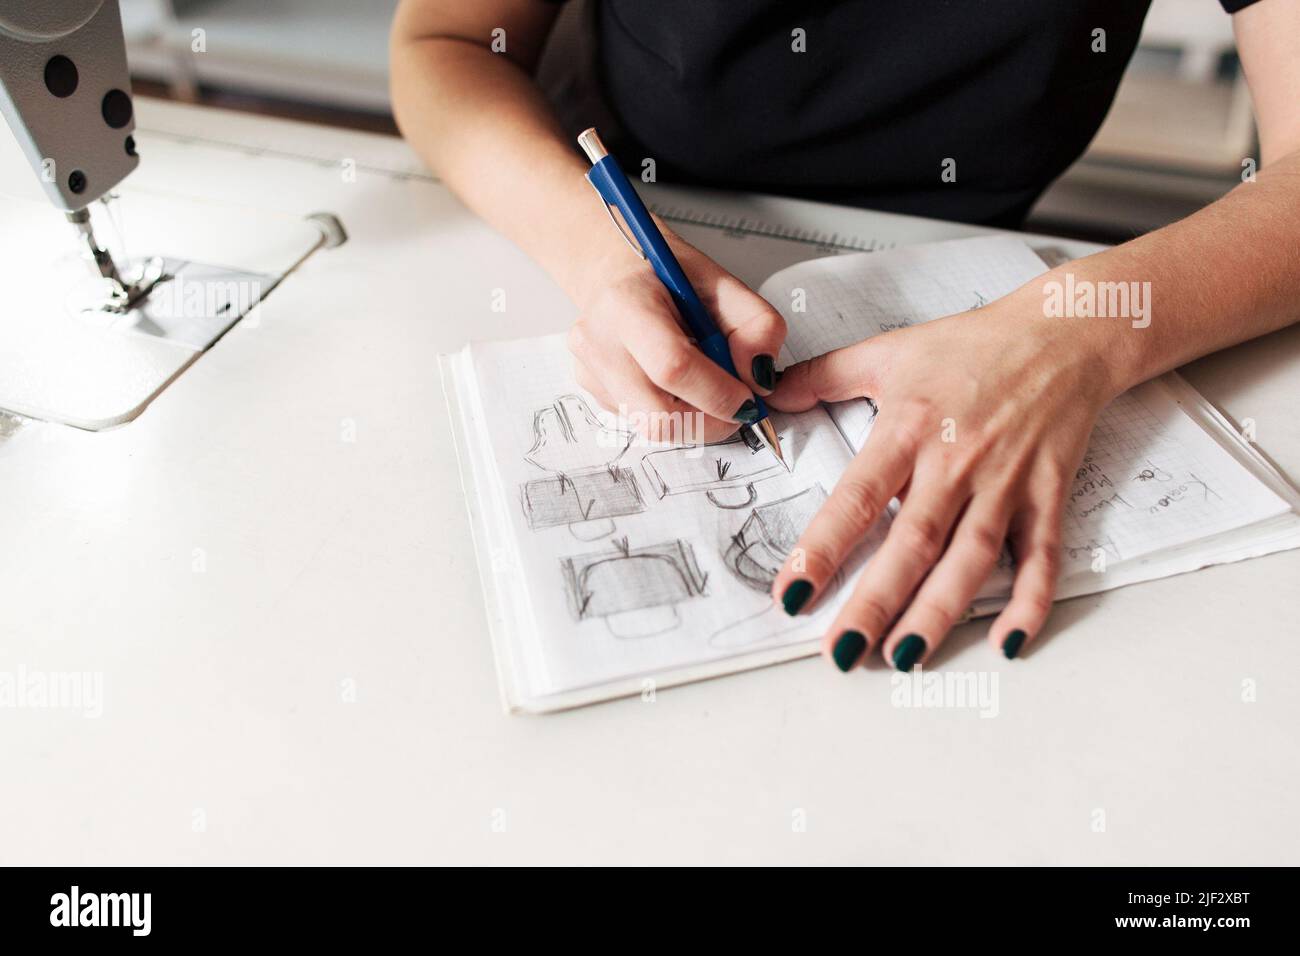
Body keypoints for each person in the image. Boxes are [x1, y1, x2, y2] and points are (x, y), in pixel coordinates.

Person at [390, 0, 1300, 672]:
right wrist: (602, 255)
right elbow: (444, 45)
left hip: (986, 263)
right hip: (617, 213)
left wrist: (1074, 329)